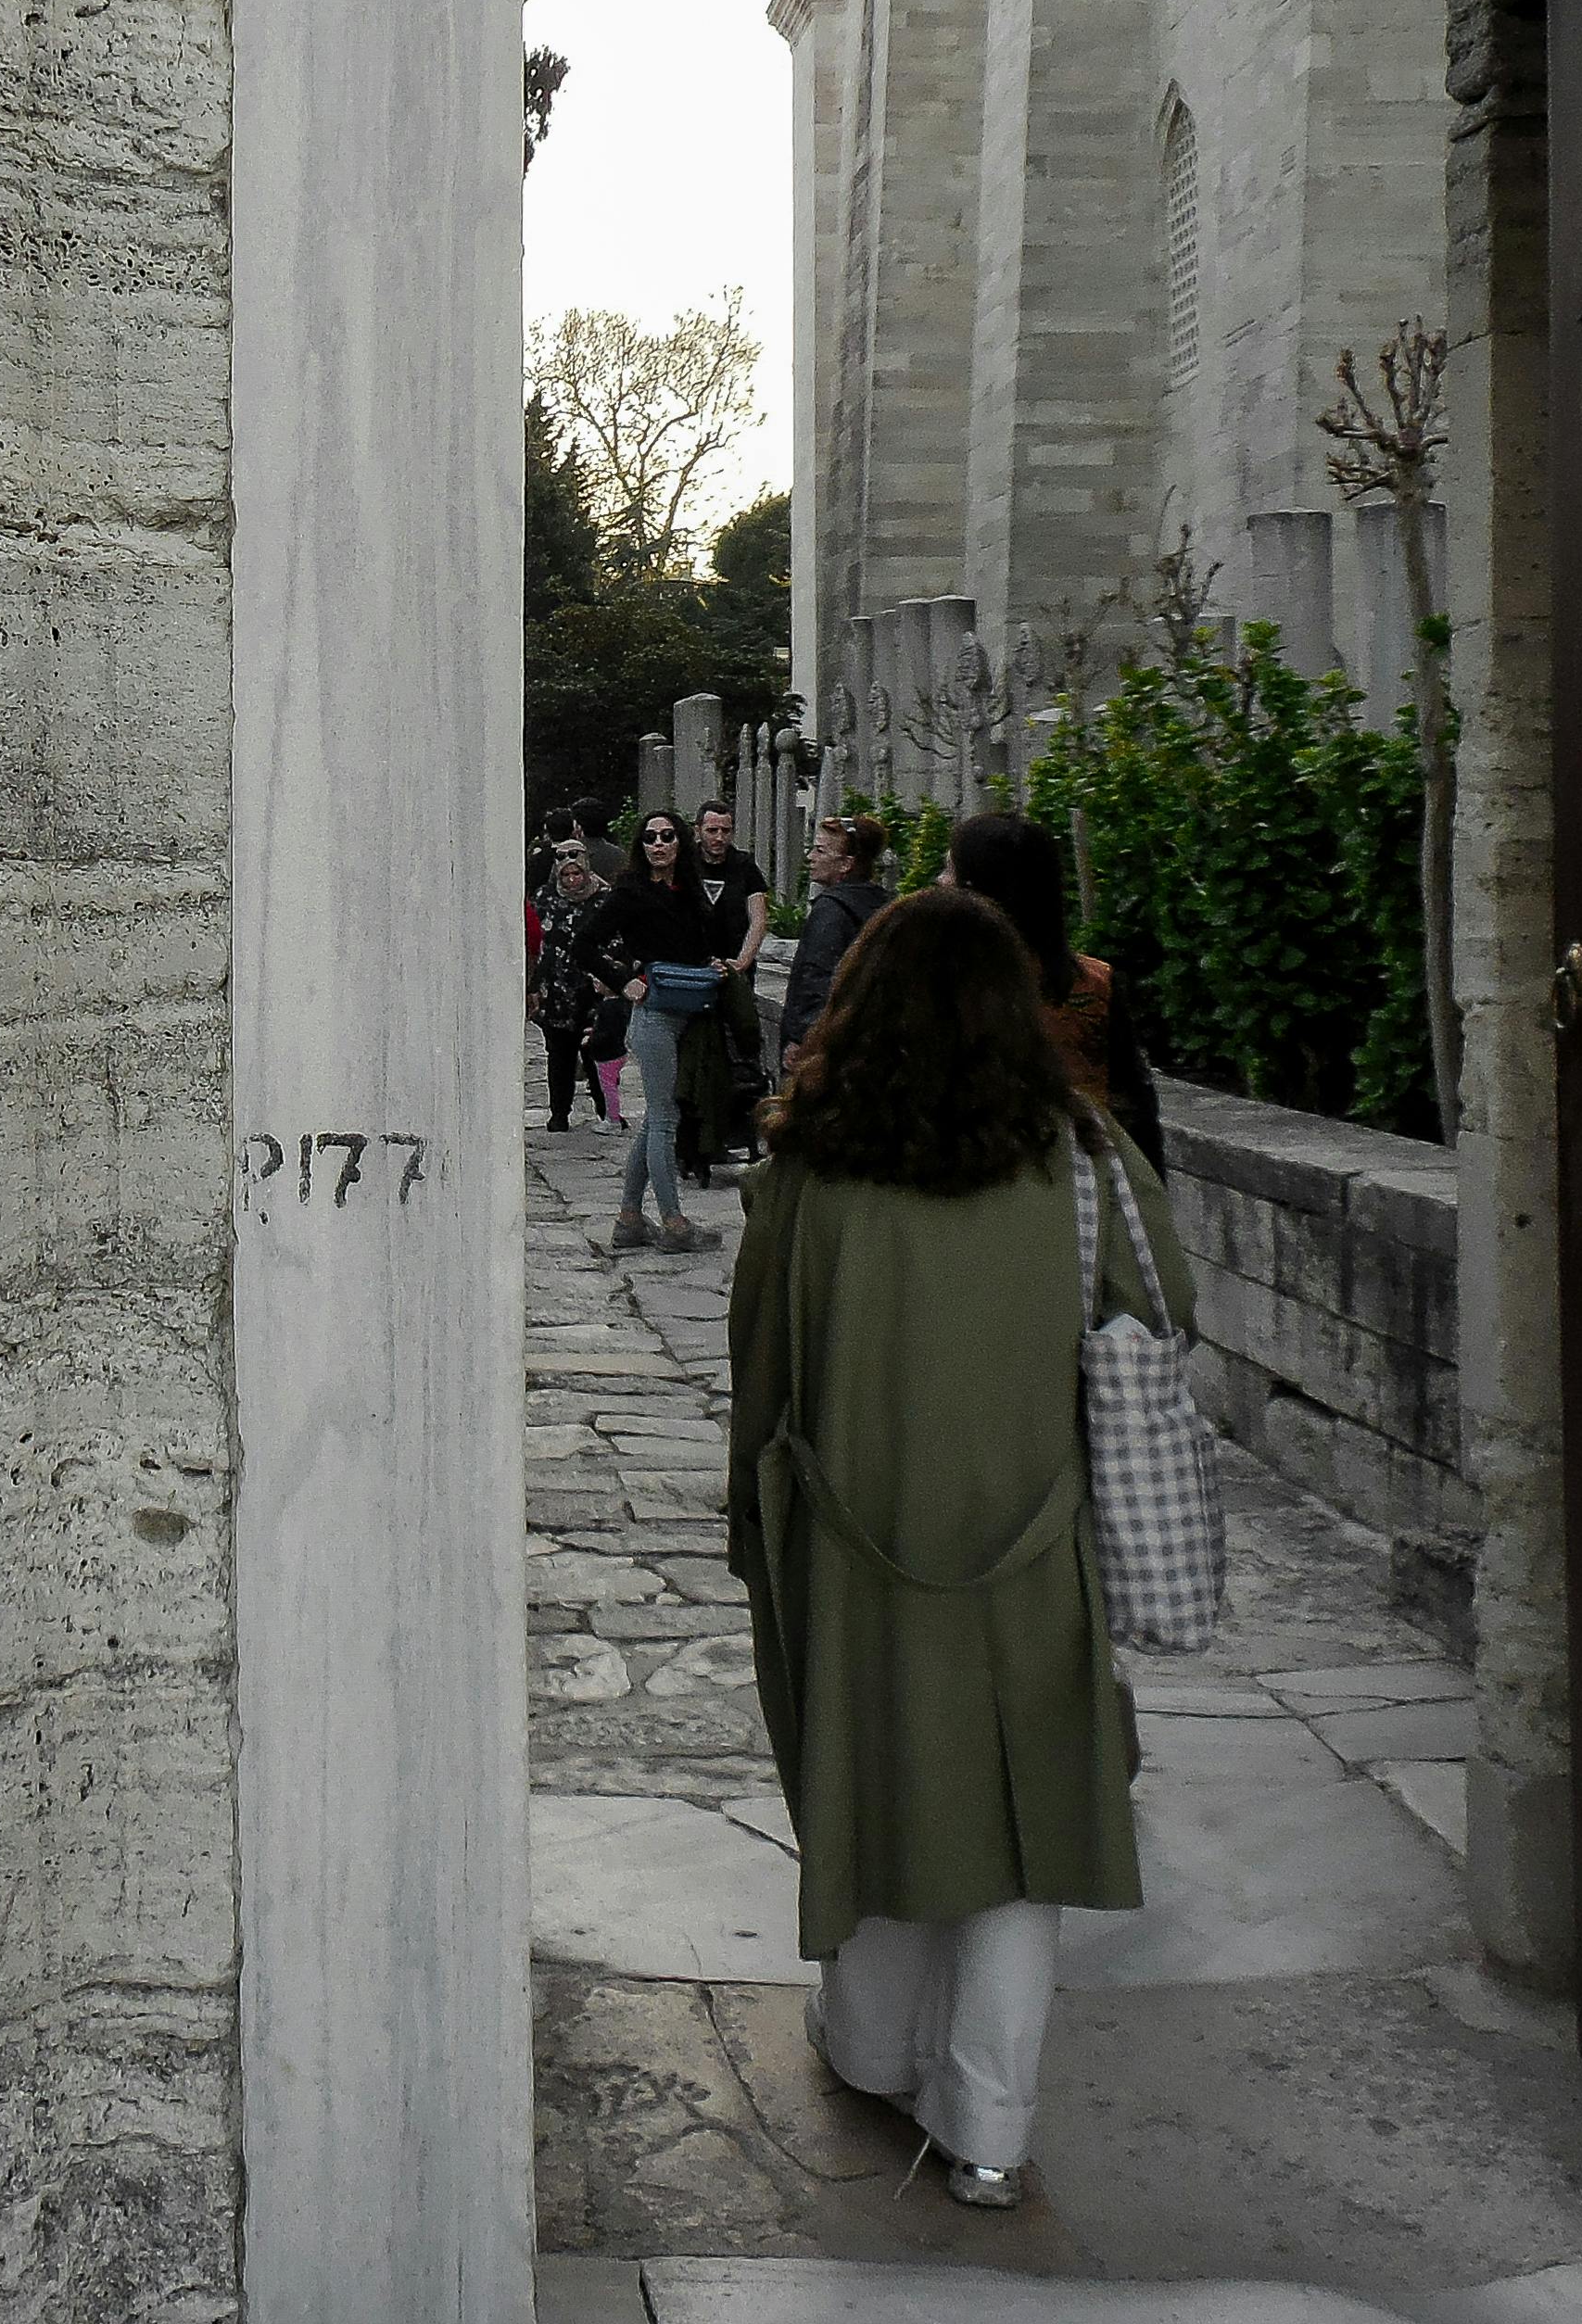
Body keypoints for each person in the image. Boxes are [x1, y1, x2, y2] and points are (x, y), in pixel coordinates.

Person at [724, 889, 1194, 2211]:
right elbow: (1166, 1308)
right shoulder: (1082, 1156)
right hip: (1038, 1535)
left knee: (866, 1779)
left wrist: (755, 1527)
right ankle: (988, 2124)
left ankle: (871, 2046)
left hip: (849, 1537)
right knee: (1022, 1815)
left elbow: (762, 1369)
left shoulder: (809, 1167)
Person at [942, 809, 1161, 1165]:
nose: (940, 883)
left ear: (976, 891)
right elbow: (1137, 1109)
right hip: (1084, 1170)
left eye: (950, 871)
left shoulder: (943, 985)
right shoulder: (1094, 983)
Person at [588, 811, 728, 1250]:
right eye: (650, 837)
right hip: (654, 1016)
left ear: (681, 841)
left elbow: (696, 943)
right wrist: (621, 982)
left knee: (657, 1117)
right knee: (665, 1119)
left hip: (690, 1011)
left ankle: (629, 1219)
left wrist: (712, 963)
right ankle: (674, 1222)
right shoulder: (630, 891)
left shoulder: (689, 889)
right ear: (641, 845)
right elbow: (583, 944)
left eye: (667, 836)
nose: (659, 844)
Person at [682, 799, 773, 1173]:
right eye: (712, 830)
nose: (719, 838)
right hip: (694, 974)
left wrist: (743, 960)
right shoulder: (686, 864)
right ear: (698, 831)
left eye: (725, 831)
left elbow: (758, 917)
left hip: (735, 973)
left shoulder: (743, 866)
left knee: (740, 1052)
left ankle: (731, 1132)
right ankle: (693, 1140)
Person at [777, 812, 892, 1057]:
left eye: (820, 851)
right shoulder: (886, 906)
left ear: (846, 864)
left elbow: (816, 978)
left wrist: (800, 1039)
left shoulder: (831, 909)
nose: (810, 857)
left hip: (823, 1046)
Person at [528, 853, 617, 1130]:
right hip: (556, 991)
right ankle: (559, 1113)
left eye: (576, 874)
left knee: (598, 1052)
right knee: (559, 1055)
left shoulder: (603, 898)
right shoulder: (545, 898)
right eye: (565, 875)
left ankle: (607, 1110)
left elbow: (616, 938)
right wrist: (535, 986)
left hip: (593, 988)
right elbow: (538, 944)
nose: (571, 880)